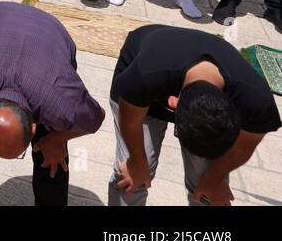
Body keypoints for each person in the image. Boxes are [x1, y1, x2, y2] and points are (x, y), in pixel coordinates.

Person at [0, 2, 106, 206]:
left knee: (52, 155)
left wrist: (56, 139)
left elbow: (96, 118)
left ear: (35, 126)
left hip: (52, 34)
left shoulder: (62, 103)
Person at [109, 25, 280, 206]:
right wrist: (136, 161)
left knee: (208, 189)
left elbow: (243, 147)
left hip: (172, 74)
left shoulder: (256, 101)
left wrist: (215, 178)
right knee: (130, 178)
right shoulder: (142, 76)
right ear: (173, 103)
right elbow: (129, 123)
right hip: (145, 70)